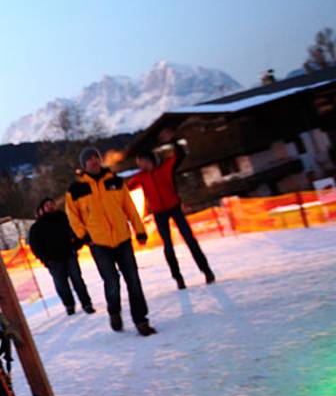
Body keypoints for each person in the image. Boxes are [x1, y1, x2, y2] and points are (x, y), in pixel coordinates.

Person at [65, 147, 157, 336]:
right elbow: (73, 217)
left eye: (96, 157)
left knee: (133, 280)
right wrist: (84, 236)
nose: (94, 161)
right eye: (89, 159)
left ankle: (141, 321)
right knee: (112, 282)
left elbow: (129, 208)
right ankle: (114, 312)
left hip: (122, 239)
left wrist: (139, 230)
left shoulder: (116, 181)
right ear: (83, 165)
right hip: (99, 244)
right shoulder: (75, 190)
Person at [126, 132, 215, 289]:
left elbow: (179, 154)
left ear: (148, 160)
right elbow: (124, 188)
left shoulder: (165, 167)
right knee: (168, 246)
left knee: (190, 240)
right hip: (159, 214)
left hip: (175, 209)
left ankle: (206, 271)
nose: (139, 165)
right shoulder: (140, 177)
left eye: (141, 162)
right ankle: (178, 278)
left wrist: (173, 141)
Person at [28, 198, 94, 316]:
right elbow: (35, 246)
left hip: (69, 255)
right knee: (61, 284)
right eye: (47, 205)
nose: (50, 206)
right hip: (53, 260)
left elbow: (76, 231)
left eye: (51, 204)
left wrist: (77, 246)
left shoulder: (64, 218)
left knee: (78, 280)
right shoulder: (37, 227)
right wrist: (44, 259)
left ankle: (87, 303)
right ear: (42, 209)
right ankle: (69, 305)